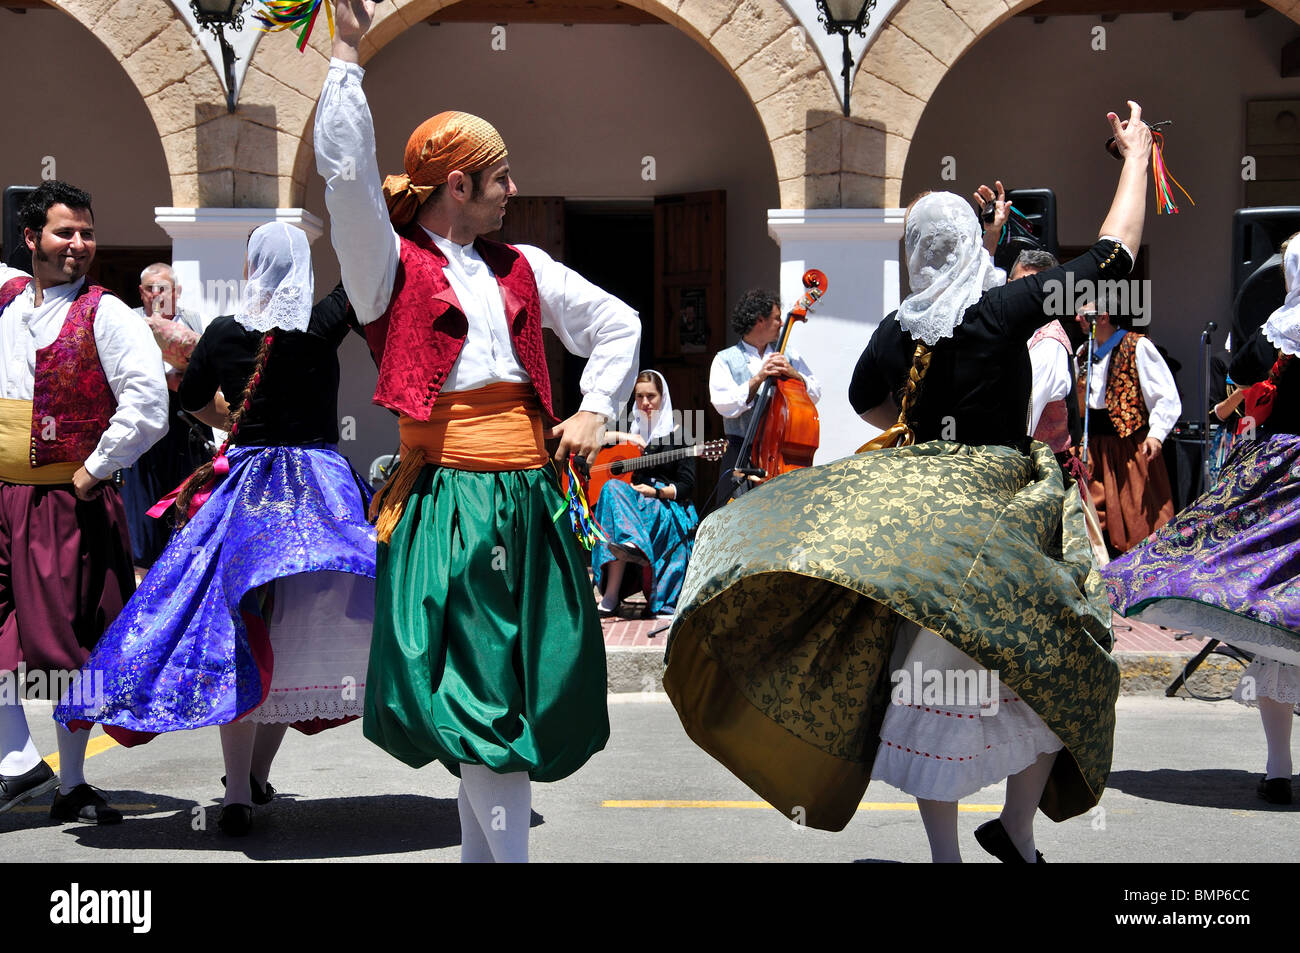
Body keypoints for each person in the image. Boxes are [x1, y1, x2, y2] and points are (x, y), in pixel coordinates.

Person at [665, 102, 1153, 863]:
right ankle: (1019, 829)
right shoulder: (1003, 311)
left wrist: (928, 423)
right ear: (973, 253)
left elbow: (869, 400)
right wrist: (1136, 156)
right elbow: (1115, 260)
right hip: (1002, 516)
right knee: (1058, 664)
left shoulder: (900, 326)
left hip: (923, 532)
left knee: (936, 686)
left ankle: (949, 856)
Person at [316, 0, 640, 863]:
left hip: (529, 499)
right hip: (450, 502)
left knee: (507, 689)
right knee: (485, 699)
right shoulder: (386, 267)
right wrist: (346, 53)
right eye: (499, 177)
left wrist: (595, 407)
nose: (513, 189)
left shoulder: (523, 267)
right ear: (456, 185)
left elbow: (617, 323)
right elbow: (348, 183)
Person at [54, 222, 375, 836]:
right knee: (295, 636)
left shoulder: (225, 332)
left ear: (253, 266)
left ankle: (237, 791)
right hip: (319, 491)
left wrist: (231, 416)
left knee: (240, 629)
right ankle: (251, 780)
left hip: (249, 489)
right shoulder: (325, 319)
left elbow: (192, 398)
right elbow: (367, 278)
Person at [1106, 233, 1300, 806]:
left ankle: (1278, 767)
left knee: (1267, 619)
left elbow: (1236, 372)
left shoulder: (1276, 337)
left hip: (1278, 479)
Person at [0, 181, 168, 823]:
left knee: (66, 647)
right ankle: (16, 759)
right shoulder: (9, 299)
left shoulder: (108, 313)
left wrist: (92, 472)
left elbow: (149, 405)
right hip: (6, 498)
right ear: (29, 239)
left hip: (64, 502)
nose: (79, 245)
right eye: (64, 232)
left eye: (87, 233)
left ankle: (71, 781)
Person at [122, 263, 211, 568]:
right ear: (141, 293)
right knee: (142, 517)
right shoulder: (129, 322)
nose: (158, 295)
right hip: (144, 427)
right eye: (151, 288)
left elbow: (206, 368)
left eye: (165, 288)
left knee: (185, 506)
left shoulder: (193, 322)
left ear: (177, 292)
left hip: (187, 425)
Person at [1076, 298, 1181, 556]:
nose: (1077, 319)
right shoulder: (1083, 352)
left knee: (1138, 513)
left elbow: (1165, 395)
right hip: (1094, 446)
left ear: (1103, 317)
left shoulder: (1138, 345)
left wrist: (1156, 434)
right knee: (1094, 513)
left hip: (1129, 445)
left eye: (1084, 314)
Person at [593, 370, 698, 619]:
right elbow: (594, 436)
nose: (645, 403)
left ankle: (614, 589)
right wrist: (625, 436)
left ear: (663, 397)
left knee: (619, 505)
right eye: (639, 397)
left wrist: (656, 491)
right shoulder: (628, 428)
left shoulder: (679, 434)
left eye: (651, 396)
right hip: (629, 502)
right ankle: (613, 587)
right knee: (610, 489)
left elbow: (687, 485)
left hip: (662, 504)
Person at [706, 289, 821, 513]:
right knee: (732, 519)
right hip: (741, 451)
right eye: (777, 318)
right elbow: (724, 404)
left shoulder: (789, 355)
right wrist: (759, 378)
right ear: (760, 320)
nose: (781, 323)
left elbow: (815, 392)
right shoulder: (724, 359)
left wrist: (793, 374)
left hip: (779, 455)